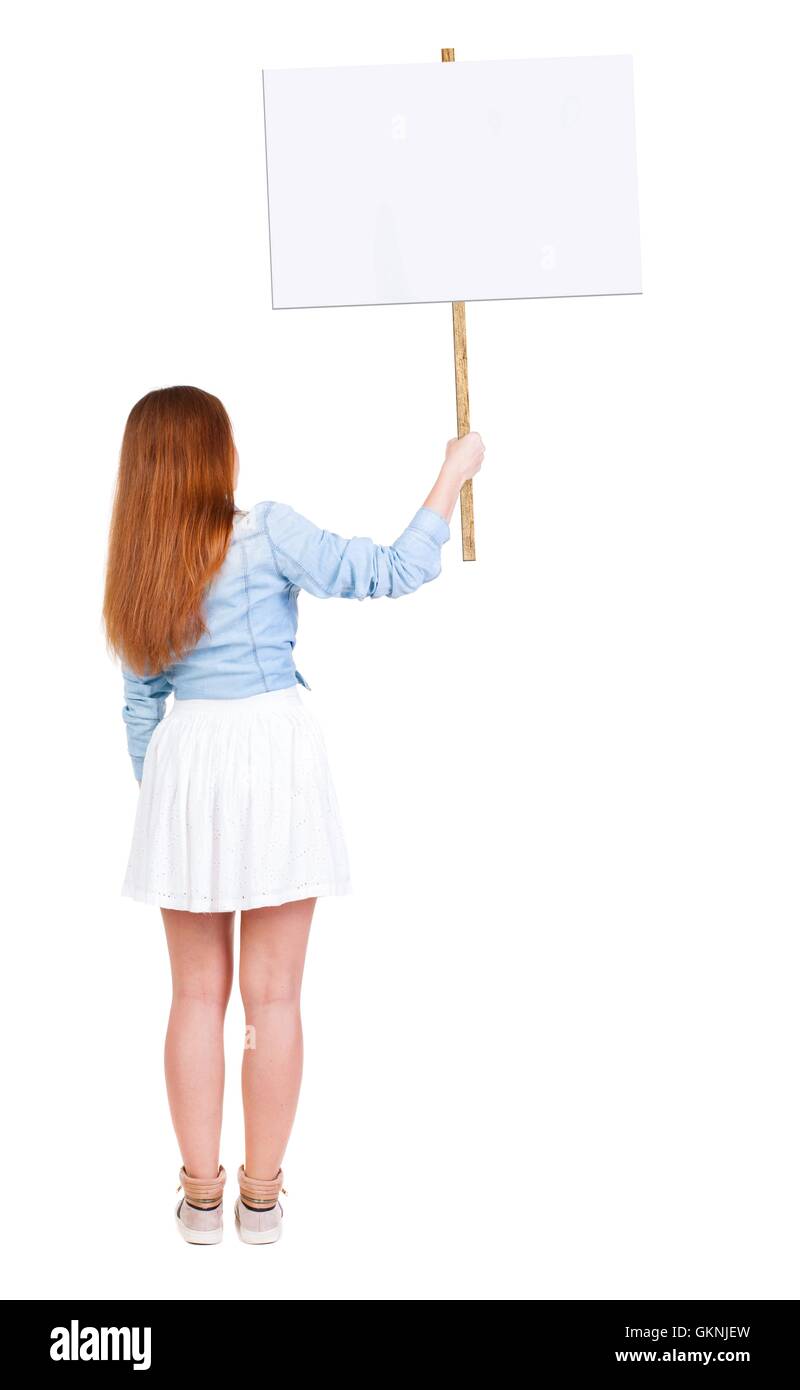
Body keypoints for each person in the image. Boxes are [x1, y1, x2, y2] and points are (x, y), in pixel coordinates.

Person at [102, 384, 484, 1245]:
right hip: (271, 757)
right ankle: (262, 1199)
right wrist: (452, 473)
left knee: (196, 996)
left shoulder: (139, 561)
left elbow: (140, 710)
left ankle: (201, 1199)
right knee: (273, 1000)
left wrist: (167, 807)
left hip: (187, 764)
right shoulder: (265, 531)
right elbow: (391, 570)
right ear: (218, 455)